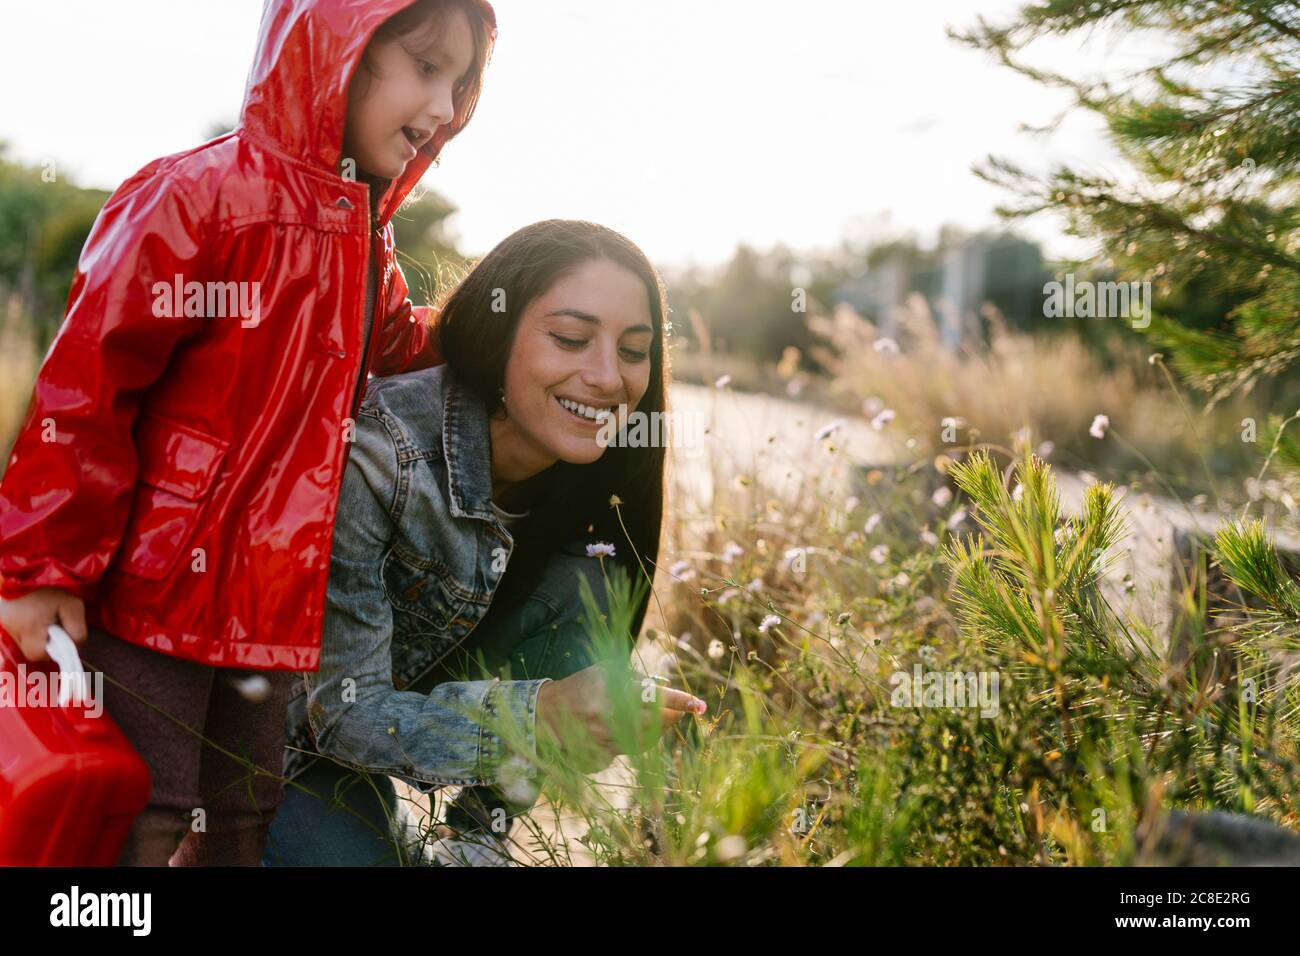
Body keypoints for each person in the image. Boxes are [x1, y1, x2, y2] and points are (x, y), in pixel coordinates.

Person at [0, 0, 499, 866]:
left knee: (240, 816)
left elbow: (399, 348)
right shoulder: (198, 195)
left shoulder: (365, 241)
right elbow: (86, 386)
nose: (444, 105)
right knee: (147, 814)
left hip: (270, 605)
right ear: (335, 48)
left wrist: (496, 325)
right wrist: (41, 564)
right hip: (151, 593)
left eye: (461, 83)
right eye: (425, 67)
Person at [262, 220, 705, 866]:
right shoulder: (378, 457)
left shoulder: (592, 479)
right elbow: (339, 715)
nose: (609, 377)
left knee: (592, 574)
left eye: (634, 351)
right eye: (571, 339)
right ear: (500, 335)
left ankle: (473, 835)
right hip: (287, 741)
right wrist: (541, 715)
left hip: (407, 703)